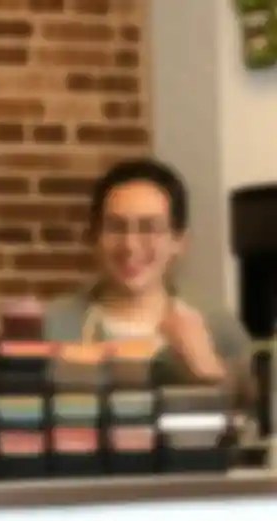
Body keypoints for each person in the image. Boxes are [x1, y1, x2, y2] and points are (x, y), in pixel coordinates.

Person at [43, 158, 255, 408]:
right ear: (94, 237)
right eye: (116, 227)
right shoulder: (52, 325)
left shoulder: (219, 327)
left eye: (149, 228)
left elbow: (257, 424)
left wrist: (208, 368)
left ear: (179, 242)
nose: (130, 245)